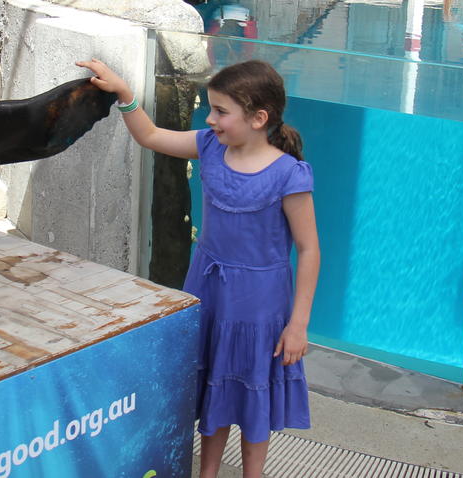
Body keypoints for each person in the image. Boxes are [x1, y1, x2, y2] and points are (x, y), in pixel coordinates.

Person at [77, 58, 320, 478]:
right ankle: (205, 473)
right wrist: (124, 93)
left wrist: (298, 325)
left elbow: (309, 249)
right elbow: (150, 136)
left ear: (259, 118)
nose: (211, 119)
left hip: (258, 307)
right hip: (207, 291)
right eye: (211, 109)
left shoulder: (288, 175)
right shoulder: (209, 146)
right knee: (212, 386)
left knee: (248, 388)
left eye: (222, 111)